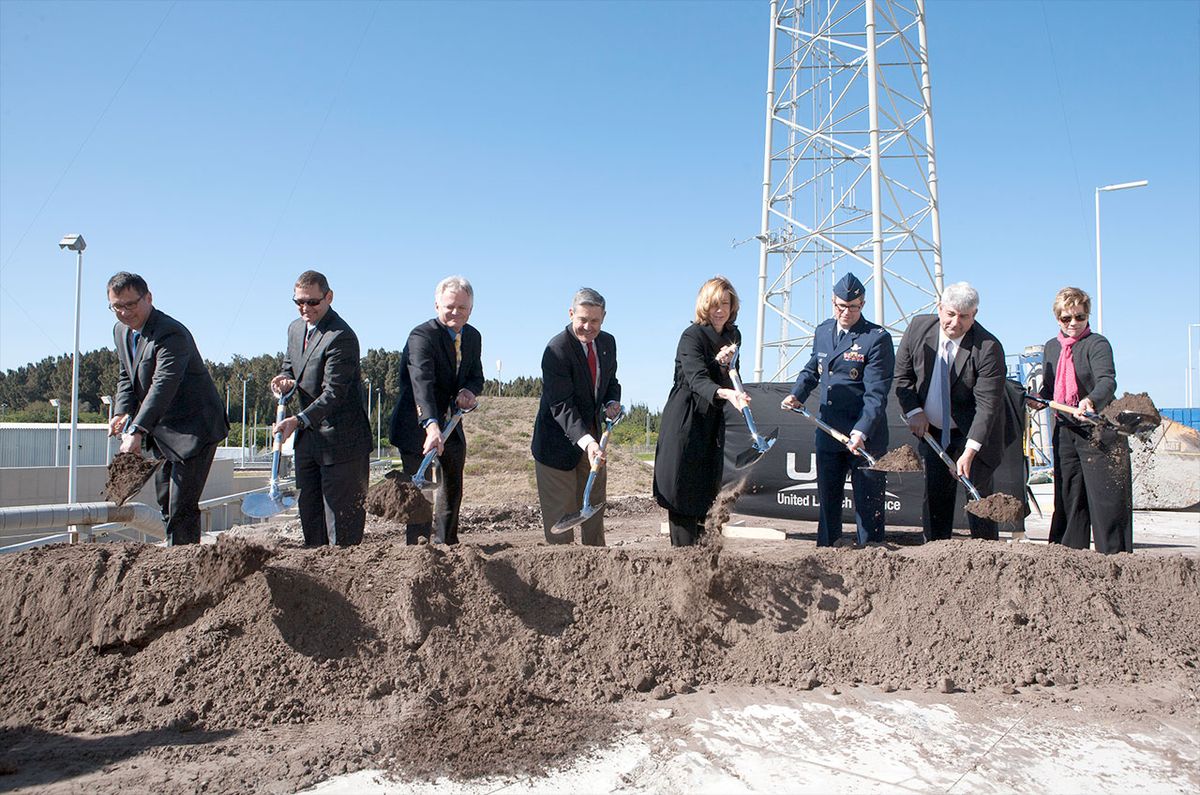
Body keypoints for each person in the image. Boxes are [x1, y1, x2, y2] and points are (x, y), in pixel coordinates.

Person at [107, 272, 229, 545]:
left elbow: (164, 384)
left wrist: (137, 430)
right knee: (165, 499)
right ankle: (176, 555)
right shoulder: (121, 331)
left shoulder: (171, 333)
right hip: (160, 429)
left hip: (194, 428)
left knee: (180, 504)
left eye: (131, 304)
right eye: (117, 307)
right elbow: (126, 375)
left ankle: (182, 567)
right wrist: (121, 411)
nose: (125, 313)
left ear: (148, 298)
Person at [781, 273, 895, 547]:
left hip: (864, 437)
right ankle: (827, 553)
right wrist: (797, 395)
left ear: (862, 304)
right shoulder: (823, 331)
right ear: (832, 302)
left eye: (853, 307)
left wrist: (861, 431)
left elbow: (876, 393)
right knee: (828, 504)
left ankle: (872, 560)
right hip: (829, 432)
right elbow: (812, 369)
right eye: (840, 306)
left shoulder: (876, 338)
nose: (845, 312)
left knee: (869, 509)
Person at [894, 281, 1007, 541]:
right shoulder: (917, 329)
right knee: (935, 497)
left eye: (964, 317)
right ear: (940, 308)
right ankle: (935, 555)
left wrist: (969, 452)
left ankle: (987, 556)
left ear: (974, 315)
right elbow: (902, 377)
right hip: (933, 432)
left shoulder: (988, 347)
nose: (956, 323)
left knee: (978, 498)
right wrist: (913, 412)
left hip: (972, 434)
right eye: (951, 314)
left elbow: (987, 404)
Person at [271, 270, 372, 547]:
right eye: (299, 302)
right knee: (311, 519)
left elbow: (334, 393)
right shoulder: (295, 329)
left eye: (313, 302)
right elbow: (290, 366)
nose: (305, 308)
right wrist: (283, 380)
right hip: (309, 442)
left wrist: (299, 420)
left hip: (342, 444)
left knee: (341, 530)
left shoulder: (341, 336)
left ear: (329, 297)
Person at [653, 276, 751, 547]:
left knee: (708, 490)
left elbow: (731, 373)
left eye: (725, 304)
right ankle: (684, 561)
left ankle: (707, 566)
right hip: (686, 419)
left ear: (733, 307)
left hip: (712, 420)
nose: (719, 310)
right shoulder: (692, 336)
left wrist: (734, 385)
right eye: (714, 304)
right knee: (684, 489)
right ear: (704, 306)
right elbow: (697, 380)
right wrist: (727, 393)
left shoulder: (733, 335)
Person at [389, 276, 484, 545]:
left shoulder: (473, 337)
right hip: (416, 424)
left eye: (462, 308)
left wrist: (468, 391)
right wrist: (431, 425)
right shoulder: (422, 337)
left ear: (470, 309)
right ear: (436, 305)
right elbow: (422, 383)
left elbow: (476, 375)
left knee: (451, 487)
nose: (455, 312)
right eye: (449, 306)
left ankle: (447, 545)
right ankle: (419, 552)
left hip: (451, 424)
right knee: (419, 494)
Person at [1038, 287, 1132, 554]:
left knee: (1107, 504)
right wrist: (1038, 399)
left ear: (1087, 315)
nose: (1073, 324)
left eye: (1079, 317)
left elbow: (1107, 381)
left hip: (1098, 431)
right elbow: (1049, 389)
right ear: (1057, 319)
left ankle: (1115, 560)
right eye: (1066, 319)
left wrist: (1090, 400)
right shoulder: (1052, 348)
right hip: (1066, 430)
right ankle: (1066, 558)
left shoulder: (1097, 344)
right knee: (1069, 499)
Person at [531, 288, 623, 546]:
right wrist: (587, 442)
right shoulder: (556, 350)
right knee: (560, 523)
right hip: (556, 445)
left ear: (603, 318)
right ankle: (562, 576)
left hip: (593, 440)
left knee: (594, 509)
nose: (588, 327)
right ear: (571, 314)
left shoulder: (607, 343)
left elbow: (610, 382)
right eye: (582, 319)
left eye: (594, 321)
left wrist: (611, 401)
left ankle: (598, 570)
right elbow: (560, 405)